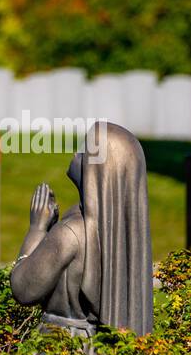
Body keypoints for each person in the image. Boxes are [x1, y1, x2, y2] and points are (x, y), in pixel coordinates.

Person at [10, 121, 153, 339]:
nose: (77, 153)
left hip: (60, 350)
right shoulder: (122, 234)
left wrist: (37, 229)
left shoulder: (70, 233)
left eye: (85, 151)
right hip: (100, 350)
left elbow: (23, 289)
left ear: (100, 171)